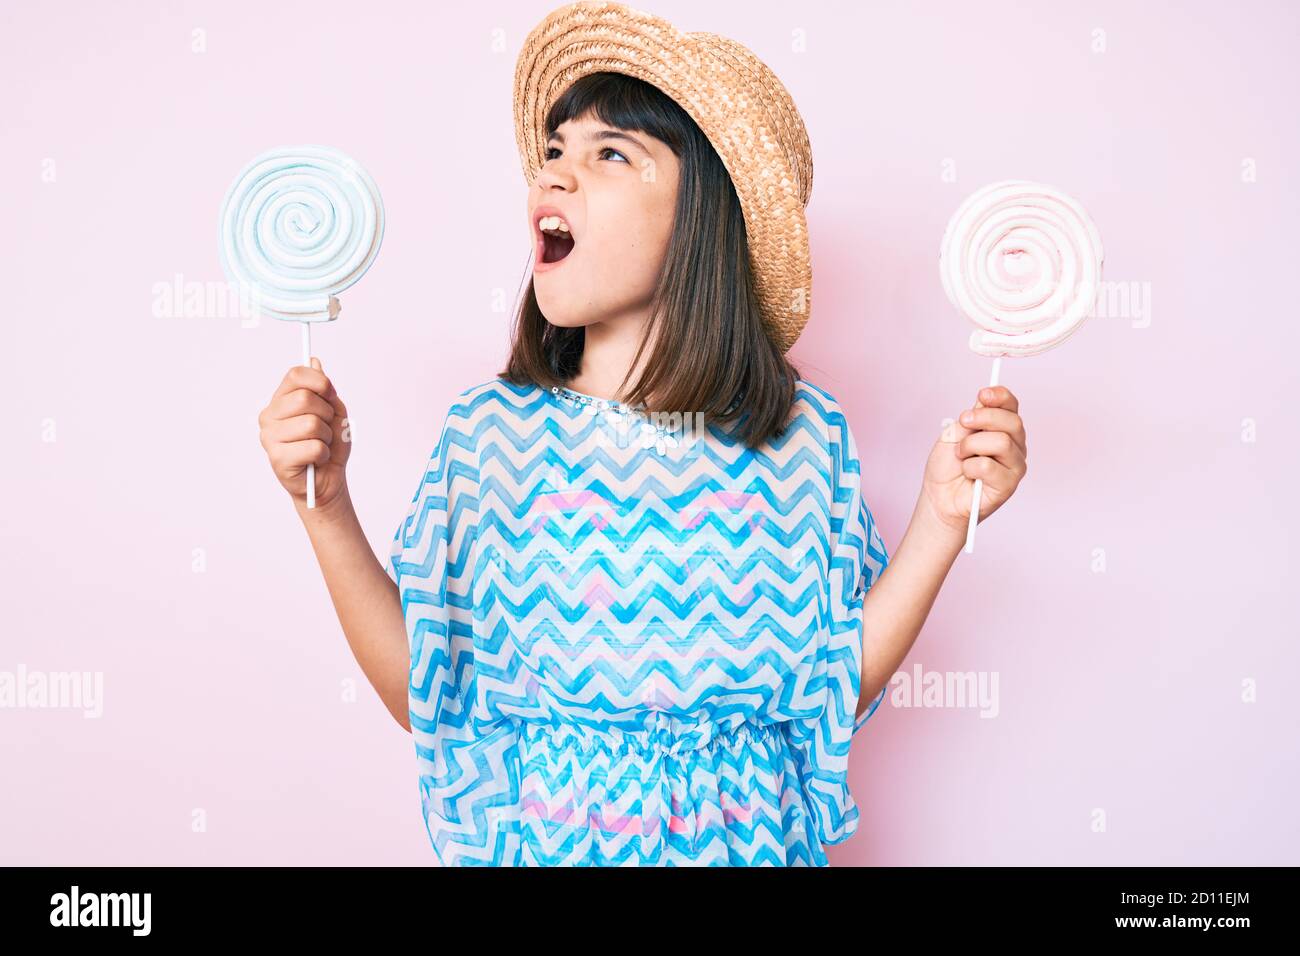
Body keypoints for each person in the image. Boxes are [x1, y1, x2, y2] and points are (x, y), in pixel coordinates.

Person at [255, 2, 1027, 866]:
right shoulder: (488, 437)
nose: (554, 176)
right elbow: (424, 692)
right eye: (554, 152)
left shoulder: (805, 440)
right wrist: (322, 508)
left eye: (610, 153)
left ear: (700, 218)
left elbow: (829, 688)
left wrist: (938, 520)